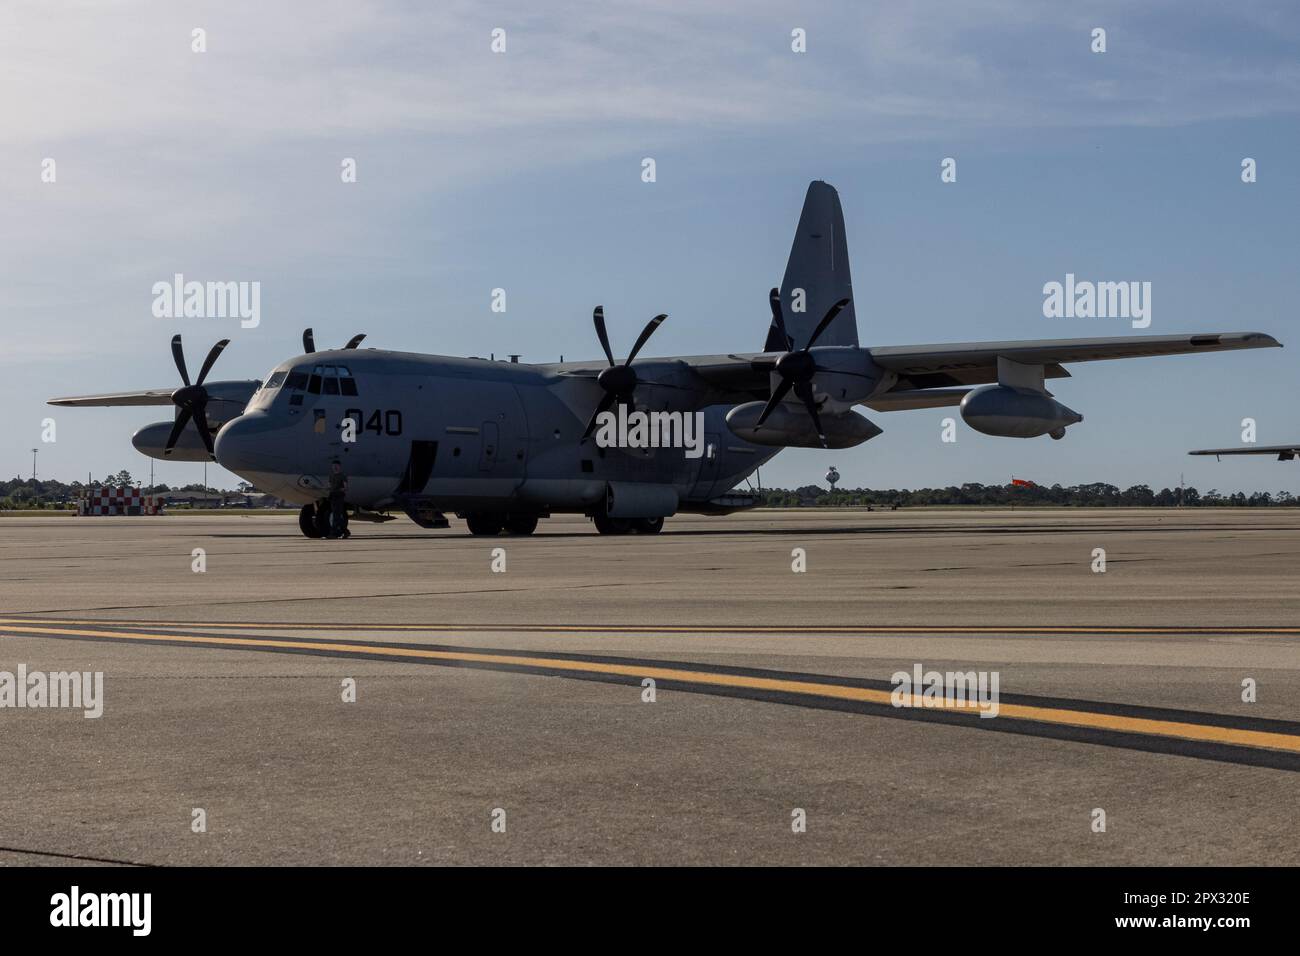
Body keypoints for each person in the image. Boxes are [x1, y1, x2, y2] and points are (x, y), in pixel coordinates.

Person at [327, 460, 350, 539]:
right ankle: (345, 531)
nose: (335, 467)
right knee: (336, 515)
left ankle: (334, 533)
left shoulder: (342, 476)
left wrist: (339, 490)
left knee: (336, 515)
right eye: (333, 466)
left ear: (339, 466)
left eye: (336, 466)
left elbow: (346, 487)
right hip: (333, 496)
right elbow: (330, 486)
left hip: (339, 496)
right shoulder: (331, 476)